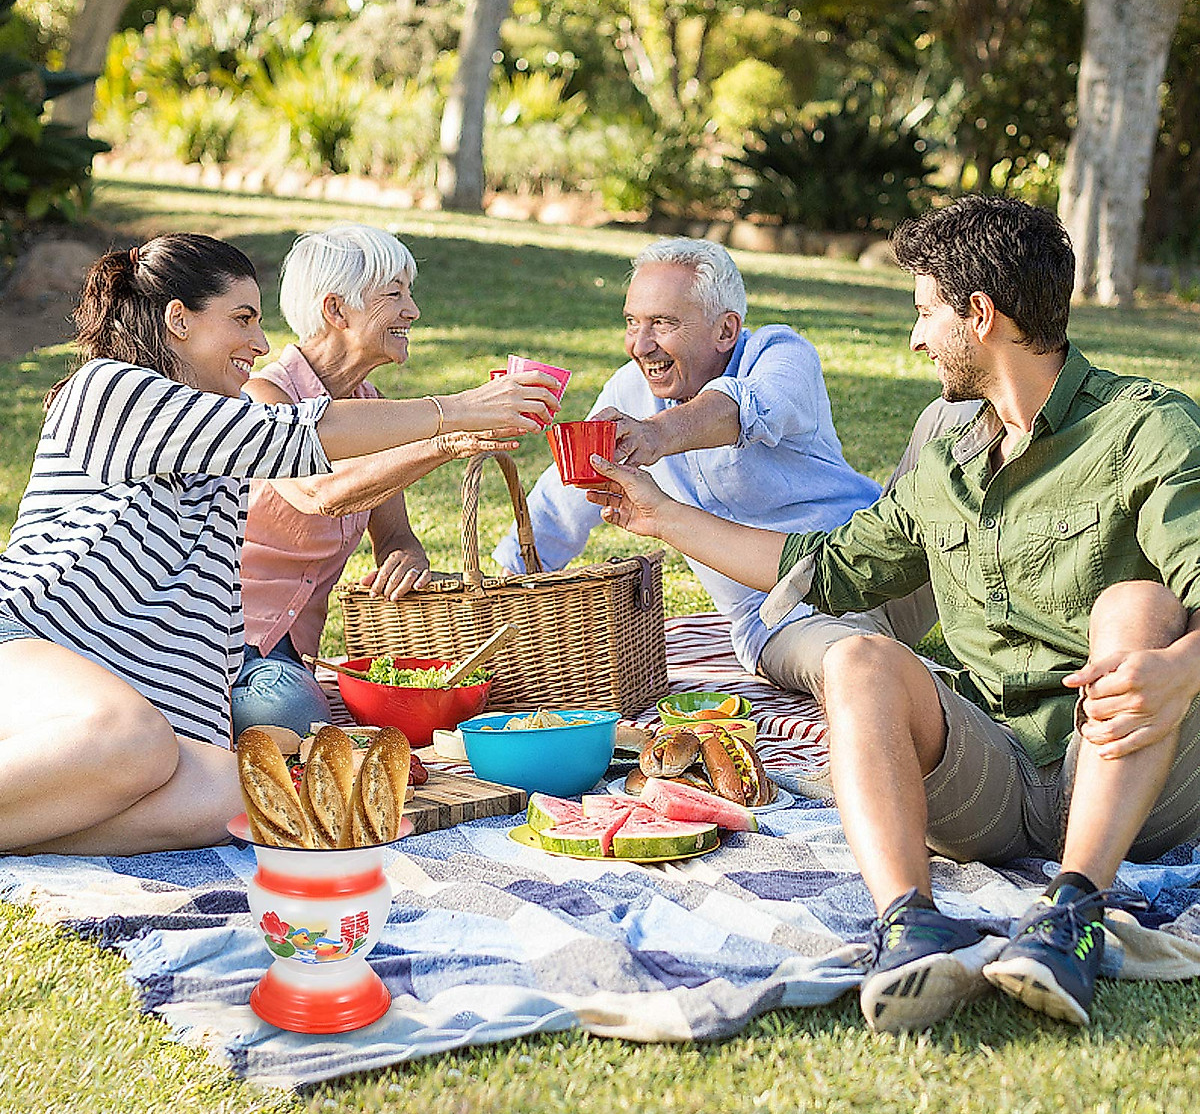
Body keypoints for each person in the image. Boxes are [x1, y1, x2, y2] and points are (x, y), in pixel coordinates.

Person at [583, 196, 1200, 1034]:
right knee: (856, 659)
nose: (914, 338)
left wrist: (1180, 668)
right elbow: (827, 566)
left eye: (924, 313)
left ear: (980, 315)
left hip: (1137, 778)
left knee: (1140, 605)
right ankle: (911, 926)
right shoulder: (949, 454)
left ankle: (1073, 915)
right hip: (998, 778)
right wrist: (658, 515)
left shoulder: (1145, 428)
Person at [0, 234, 557, 856]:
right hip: (25, 646)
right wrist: (458, 411)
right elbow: (295, 437)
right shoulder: (109, 390)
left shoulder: (217, 446)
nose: (261, 343)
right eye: (242, 319)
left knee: (243, 794)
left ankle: (28, 823)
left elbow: (209, 628)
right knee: (132, 738)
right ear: (179, 320)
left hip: (128, 705)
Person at [493, 237, 963, 693]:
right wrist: (500, 588)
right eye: (632, 322)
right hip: (786, 618)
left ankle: (998, 610)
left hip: (885, 563)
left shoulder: (781, 355)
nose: (640, 344)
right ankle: (940, 698)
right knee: (861, 667)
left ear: (725, 330)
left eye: (662, 323)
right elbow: (564, 498)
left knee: (954, 414)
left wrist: (656, 434)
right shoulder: (628, 391)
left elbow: (743, 407)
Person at [233, 224, 515, 738]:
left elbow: (395, 535)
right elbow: (320, 493)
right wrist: (445, 439)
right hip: (231, 641)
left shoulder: (370, 405)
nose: (413, 311)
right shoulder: (263, 397)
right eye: (394, 295)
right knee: (293, 718)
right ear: (337, 310)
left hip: (293, 651)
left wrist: (406, 556)